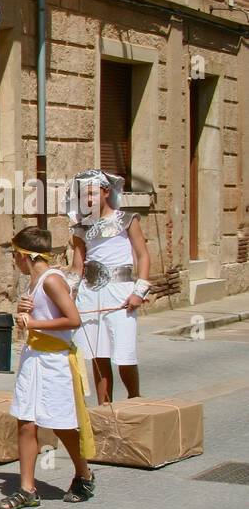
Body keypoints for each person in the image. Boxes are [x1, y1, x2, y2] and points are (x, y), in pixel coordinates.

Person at [1, 225, 96, 509]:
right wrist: (24, 314)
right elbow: (39, 317)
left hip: (55, 360)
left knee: (61, 423)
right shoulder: (33, 281)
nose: (14, 260)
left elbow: (73, 319)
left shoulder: (52, 281)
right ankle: (27, 489)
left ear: (25, 255)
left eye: (15, 254)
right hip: (34, 357)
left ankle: (84, 474)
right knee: (26, 420)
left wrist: (34, 323)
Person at [68, 169, 151, 402]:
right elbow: (77, 267)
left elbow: (143, 255)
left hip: (121, 292)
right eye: (84, 195)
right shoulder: (80, 228)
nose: (89, 199)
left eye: (93, 193)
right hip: (90, 293)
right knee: (98, 355)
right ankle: (106, 409)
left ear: (105, 192)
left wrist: (139, 291)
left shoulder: (127, 219)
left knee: (124, 355)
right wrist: (68, 294)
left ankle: (135, 401)